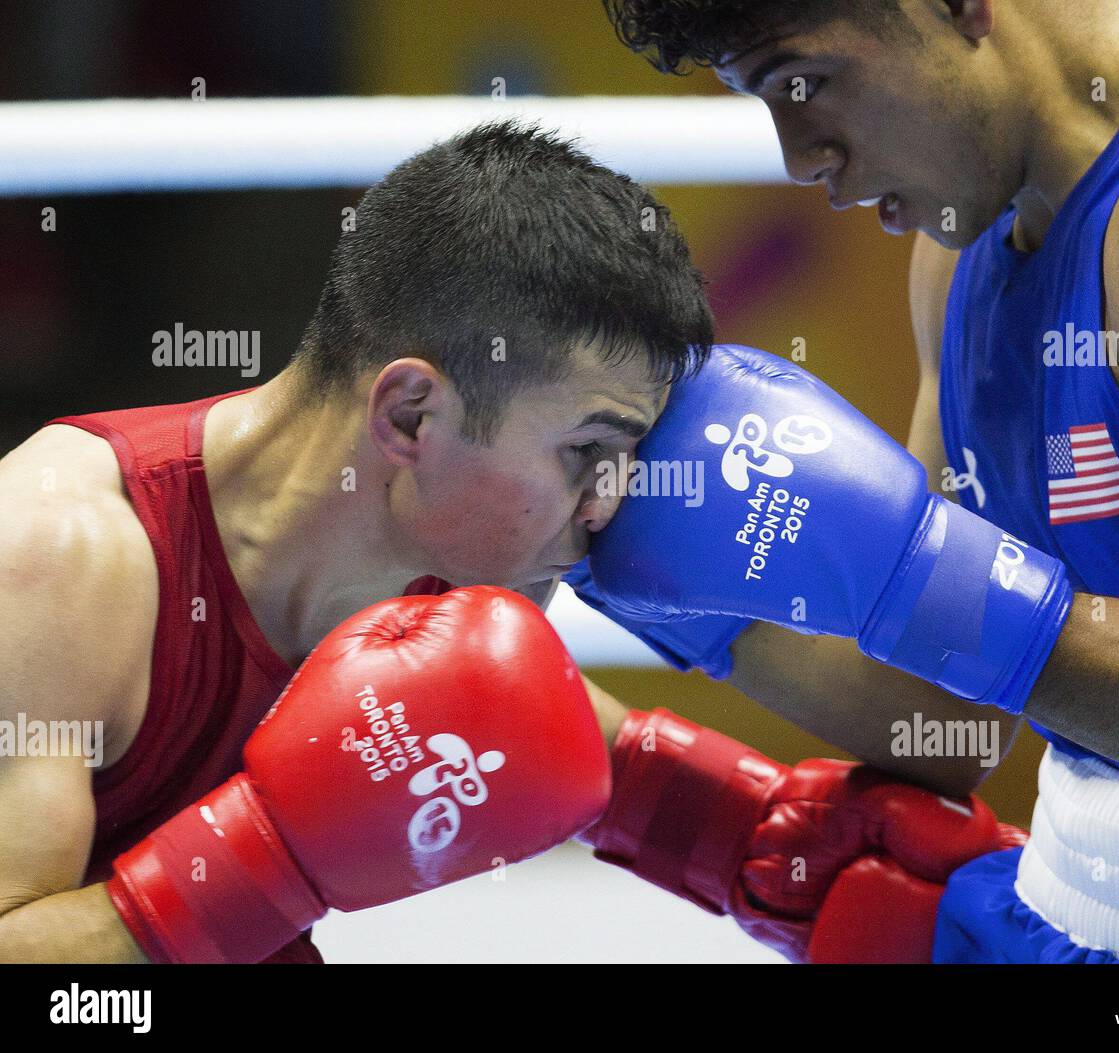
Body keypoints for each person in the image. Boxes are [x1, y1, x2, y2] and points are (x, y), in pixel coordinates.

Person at [0, 120, 1010, 964]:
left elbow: (533, 737)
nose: (612, 502)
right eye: (587, 451)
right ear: (408, 416)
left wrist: (762, 840)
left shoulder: (453, 574)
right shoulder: (57, 555)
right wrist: (268, 856)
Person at [585, 0, 1119, 961]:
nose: (802, 158)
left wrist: (914, 576)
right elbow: (946, 719)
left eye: (805, 82)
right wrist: (618, 544)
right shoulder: (958, 257)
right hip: (1073, 900)